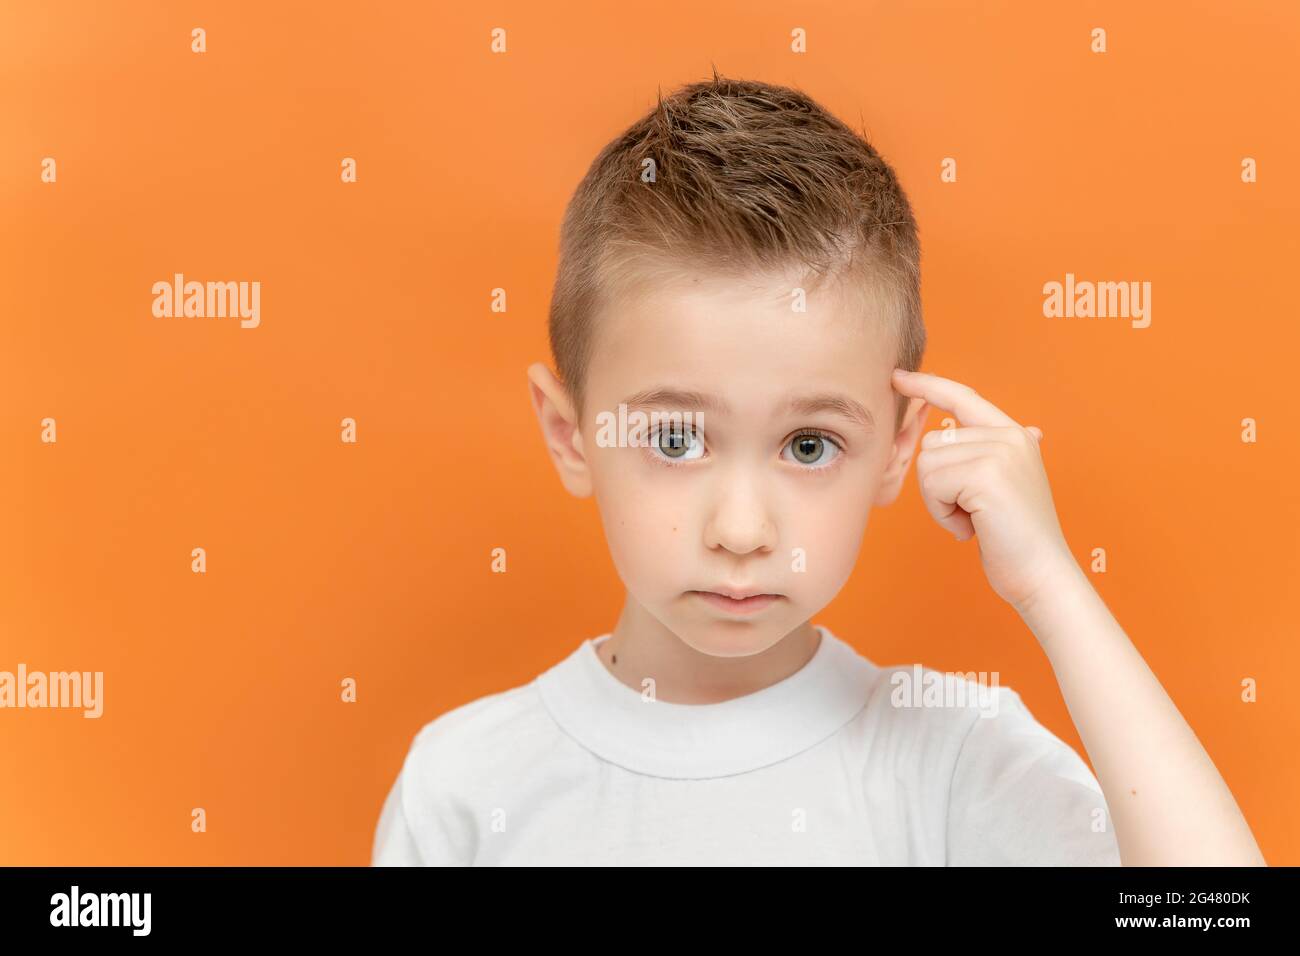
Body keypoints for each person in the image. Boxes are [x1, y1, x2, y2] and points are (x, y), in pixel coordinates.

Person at [372, 72, 1265, 866]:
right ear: (571, 436)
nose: (742, 532)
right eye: (676, 439)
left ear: (899, 445)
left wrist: (1051, 584)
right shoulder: (462, 786)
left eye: (808, 446)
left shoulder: (952, 763)